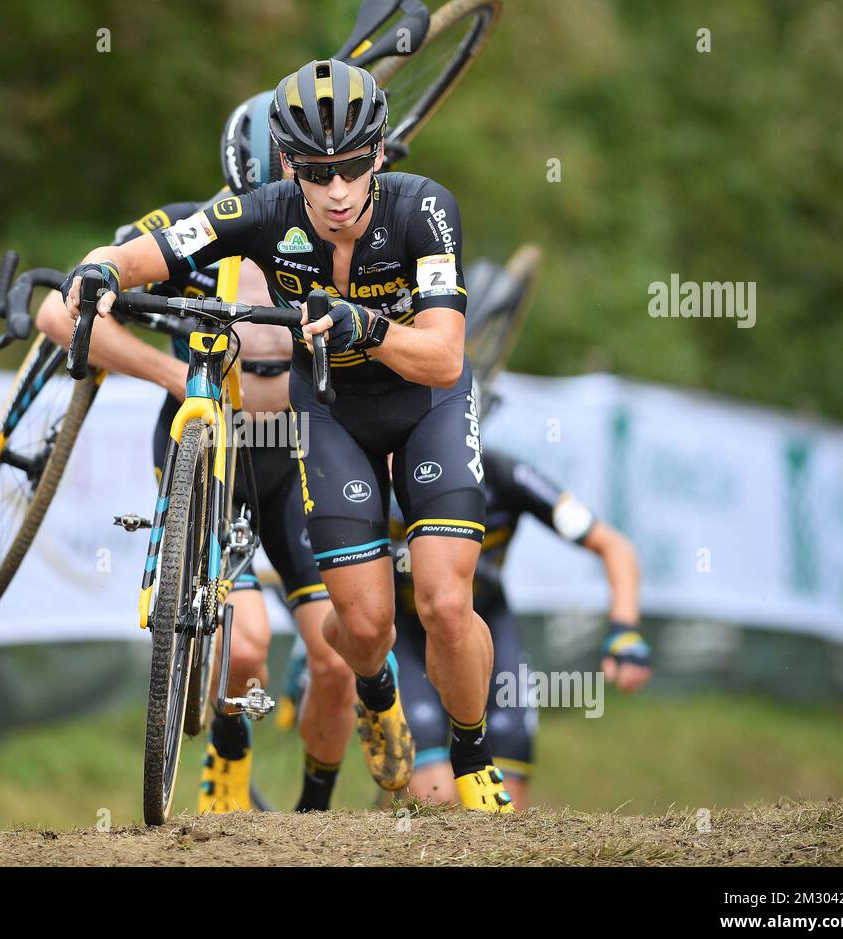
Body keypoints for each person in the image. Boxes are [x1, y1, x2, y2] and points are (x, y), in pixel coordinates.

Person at [60, 60, 509, 810]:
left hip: (426, 403)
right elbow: (161, 249)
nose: (336, 192)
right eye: (315, 172)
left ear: (380, 154)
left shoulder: (424, 209)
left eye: (353, 169)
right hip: (330, 412)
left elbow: (446, 356)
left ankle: (471, 756)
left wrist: (369, 324)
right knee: (362, 630)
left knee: (440, 598)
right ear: (289, 165)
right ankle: (378, 687)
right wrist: (103, 272)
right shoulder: (262, 211)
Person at [35, 90, 359, 814]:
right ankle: (227, 765)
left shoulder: (337, 238)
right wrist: (174, 374)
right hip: (208, 448)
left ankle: (314, 817)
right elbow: (58, 309)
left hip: (294, 454)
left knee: (335, 662)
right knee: (245, 646)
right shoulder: (188, 228)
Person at [392, 446, 650, 809]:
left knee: (501, 810)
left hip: (489, 632)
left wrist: (625, 632)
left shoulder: (506, 475)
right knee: (436, 797)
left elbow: (615, 546)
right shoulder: (372, 474)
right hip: (406, 637)